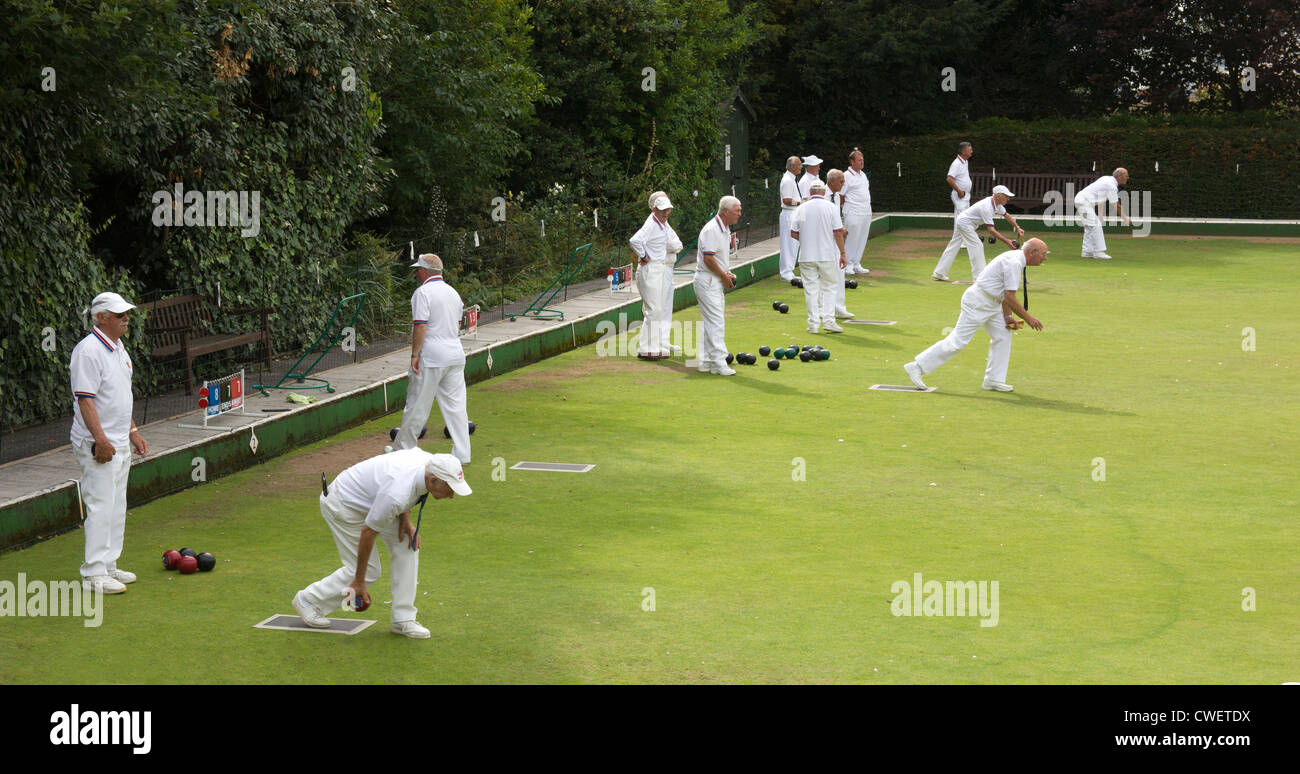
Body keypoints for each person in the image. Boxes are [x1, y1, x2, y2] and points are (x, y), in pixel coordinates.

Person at [292, 449, 472, 639]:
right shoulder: (397, 493)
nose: (452, 495)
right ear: (433, 481)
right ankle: (308, 600)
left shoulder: (430, 463)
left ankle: (402, 619)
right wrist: (359, 582)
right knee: (368, 571)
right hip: (344, 504)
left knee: (406, 543)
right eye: (450, 489)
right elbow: (369, 531)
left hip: (374, 500)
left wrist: (406, 520)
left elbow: (404, 489)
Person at [70, 292, 148, 595]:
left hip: (119, 440)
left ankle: (109, 564)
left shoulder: (118, 347)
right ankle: (92, 572)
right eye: (119, 315)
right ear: (101, 318)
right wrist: (100, 440)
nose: (126, 318)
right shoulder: (88, 351)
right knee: (101, 504)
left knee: (116, 504)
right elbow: (86, 400)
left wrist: (132, 431)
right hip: (97, 442)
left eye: (126, 313)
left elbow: (119, 395)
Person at [904, 238, 1048, 393]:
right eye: (1043, 254)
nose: (1045, 258)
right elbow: (1009, 296)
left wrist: (1007, 317)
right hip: (978, 302)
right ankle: (917, 366)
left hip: (992, 303)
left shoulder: (1016, 259)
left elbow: (1005, 293)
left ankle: (994, 380)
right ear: (1032, 253)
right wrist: (1029, 318)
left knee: (1003, 336)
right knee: (957, 341)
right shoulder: (1014, 262)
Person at [392, 253, 470, 463]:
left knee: (417, 403)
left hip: (432, 356)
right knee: (456, 406)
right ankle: (462, 454)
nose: (417, 273)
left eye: (418, 269)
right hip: (455, 354)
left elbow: (421, 325)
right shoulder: (453, 293)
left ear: (425, 271)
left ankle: (403, 451)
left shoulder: (422, 292)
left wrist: (415, 354)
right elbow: (458, 325)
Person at [629, 191, 683, 360]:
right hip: (650, 269)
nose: (666, 213)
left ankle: (652, 347)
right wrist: (644, 256)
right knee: (654, 310)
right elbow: (634, 240)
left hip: (658, 268)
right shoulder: (652, 224)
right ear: (654, 209)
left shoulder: (660, 224)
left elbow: (677, 244)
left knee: (657, 309)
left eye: (667, 209)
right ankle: (646, 349)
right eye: (662, 210)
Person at [790, 180, 846, 334]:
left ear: (810, 192)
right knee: (829, 288)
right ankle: (828, 321)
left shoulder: (801, 208)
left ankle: (813, 325)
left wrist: (806, 241)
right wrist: (842, 253)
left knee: (811, 290)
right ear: (823, 192)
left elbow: (793, 232)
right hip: (826, 255)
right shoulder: (831, 207)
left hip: (806, 256)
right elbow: (838, 232)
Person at [694, 196, 742, 375]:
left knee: (710, 322)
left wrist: (725, 273)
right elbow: (708, 258)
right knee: (716, 322)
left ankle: (707, 361)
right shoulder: (712, 229)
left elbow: (716, 257)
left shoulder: (725, 228)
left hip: (713, 279)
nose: (739, 214)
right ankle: (720, 362)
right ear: (726, 211)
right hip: (708, 281)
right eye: (737, 210)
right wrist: (723, 275)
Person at [937, 185, 1025, 282]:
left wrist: (1017, 227)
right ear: (998, 195)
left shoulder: (997, 205)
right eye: (1006, 196)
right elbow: (991, 230)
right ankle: (979, 278)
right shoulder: (986, 207)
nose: (1008, 198)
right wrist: (1007, 241)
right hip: (965, 223)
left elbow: (1006, 215)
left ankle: (939, 273)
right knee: (977, 245)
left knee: (954, 245)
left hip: (965, 222)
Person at [932, 141, 975, 281]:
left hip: (965, 197)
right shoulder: (956, 163)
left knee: (958, 234)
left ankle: (939, 272)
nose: (971, 151)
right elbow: (949, 178)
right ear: (963, 151)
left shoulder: (965, 162)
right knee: (961, 226)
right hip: (960, 197)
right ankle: (965, 240)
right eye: (970, 149)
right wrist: (959, 191)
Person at [1075, 168, 1130, 260]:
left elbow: (1100, 198)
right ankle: (1098, 252)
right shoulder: (1111, 186)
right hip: (1084, 202)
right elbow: (1117, 205)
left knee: (1090, 226)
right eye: (1126, 176)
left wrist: (1100, 215)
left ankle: (1087, 252)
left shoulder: (1106, 178)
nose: (1127, 178)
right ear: (1119, 176)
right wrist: (1125, 218)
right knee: (1096, 225)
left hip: (1082, 201)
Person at [825, 169, 855, 319]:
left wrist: (841, 228)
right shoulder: (821, 195)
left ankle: (839, 307)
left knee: (839, 271)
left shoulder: (836, 196)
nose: (843, 184)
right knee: (826, 276)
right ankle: (826, 309)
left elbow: (835, 217)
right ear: (831, 182)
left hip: (836, 239)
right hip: (824, 240)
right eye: (841, 181)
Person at [841, 148, 872, 276]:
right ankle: (847, 264)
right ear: (851, 162)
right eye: (859, 160)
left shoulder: (863, 174)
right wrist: (843, 208)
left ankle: (856, 263)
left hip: (866, 211)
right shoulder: (846, 176)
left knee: (862, 238)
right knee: (852, 238)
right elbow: (841, 195)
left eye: (862, 160)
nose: (861, 162)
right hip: (852, 211)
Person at [778, 156, 803, 280]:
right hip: (789, 214)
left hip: (794, 213)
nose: (801, 166)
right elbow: (786, 200)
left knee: (793, 243)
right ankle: (786, 273)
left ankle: (789, 271)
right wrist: (800, 203)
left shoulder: (792, 179)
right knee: (788, 243)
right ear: (792, 166)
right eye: (799, 164)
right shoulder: (787, 180)